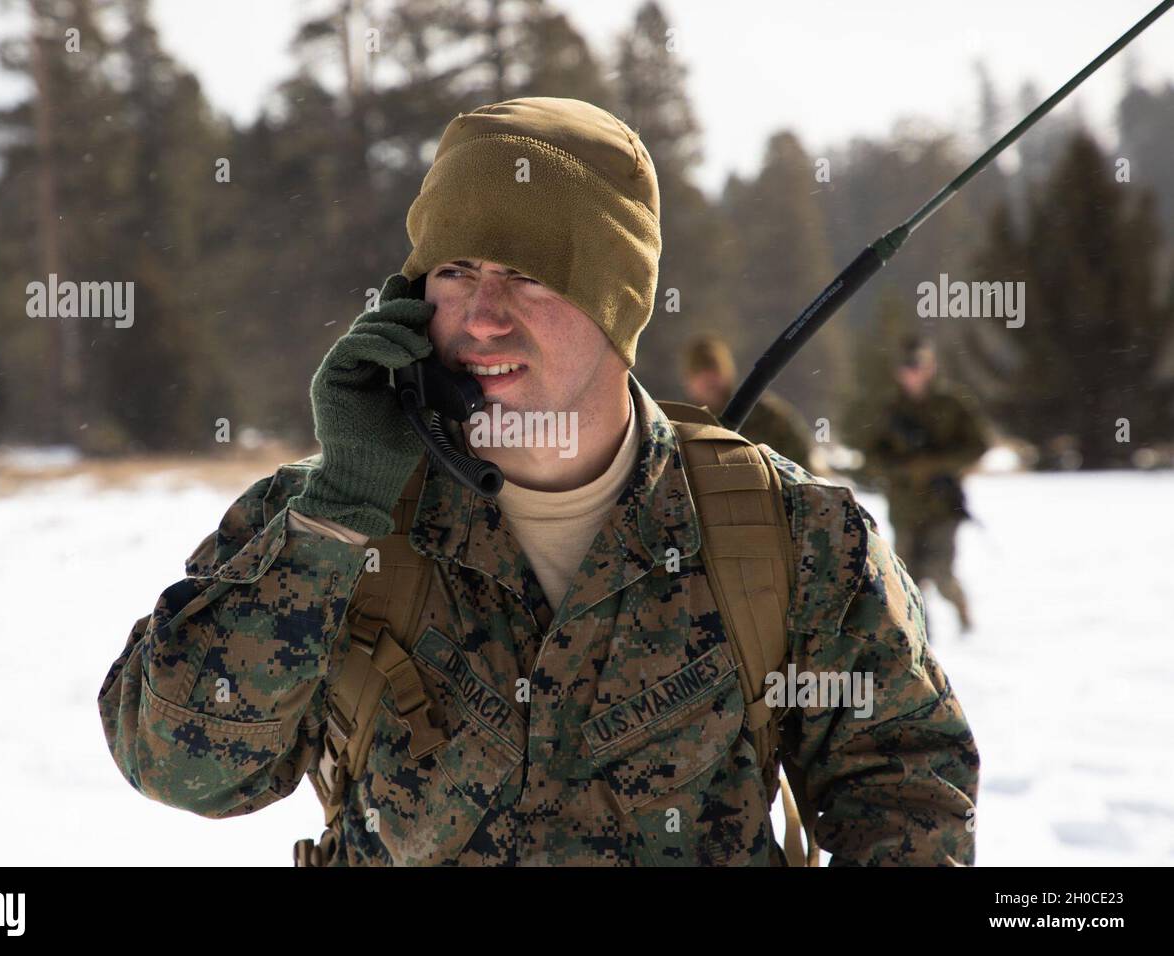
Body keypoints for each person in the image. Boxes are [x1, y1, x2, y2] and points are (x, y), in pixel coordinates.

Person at [98, 97, 978, 866]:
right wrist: (340, 511)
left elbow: (905, 778)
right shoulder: (324, 519)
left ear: (617, 306)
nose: (483, 315)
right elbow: (180, 767)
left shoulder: (791, 534)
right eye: (454, 272)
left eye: (527, 275)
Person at [857, 338, 989, 633]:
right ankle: (920, 636)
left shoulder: (952, 403)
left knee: (941, 574)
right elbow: (870, 456)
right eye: (907, 367)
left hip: (943, 504)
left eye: (918, 366)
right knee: (907, 579)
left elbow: (978, 445)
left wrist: (937, 465)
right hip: (905, 506)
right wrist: (902, 468)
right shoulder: (888, 409)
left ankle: (964, 617)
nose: (913, 373)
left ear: (931, 367)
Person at [680, 333, 816, 471]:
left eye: (713, 368)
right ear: (688, 380)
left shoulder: (762, 413)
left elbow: (801, 462)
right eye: (699, 370)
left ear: (727, 371)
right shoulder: (680, 424)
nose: (708, 378)